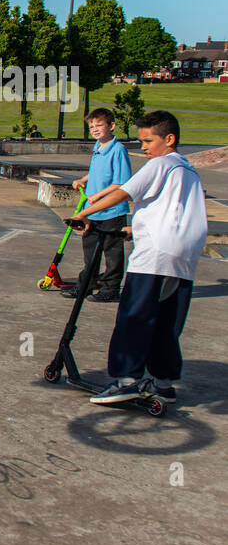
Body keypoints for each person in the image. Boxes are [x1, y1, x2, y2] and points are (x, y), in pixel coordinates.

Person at [70, 111, 208, 404]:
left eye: (148, 140)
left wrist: (83, 213)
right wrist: (136, 228)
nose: (143, 147)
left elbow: (123, 192)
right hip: (184, 257)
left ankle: (127, 380)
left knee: (134, 317)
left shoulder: (161, 163)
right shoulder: (187, 168)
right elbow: (173, 208)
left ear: (169, 140)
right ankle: (162, 382)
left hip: (155, 256)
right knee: (166, 321)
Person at [62, 108, 132, 303]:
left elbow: (122, 183)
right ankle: (87, 284)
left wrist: (98, 196)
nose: (95, 129)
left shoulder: (118, 150)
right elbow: (97, 172)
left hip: (112, 211)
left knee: (112, 252)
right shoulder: (97, 147)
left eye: (99, 125)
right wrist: (83, 179)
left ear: (111, 126)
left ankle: (111, 288)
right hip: (94, 212)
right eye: (91, 126)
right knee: (90, 250)